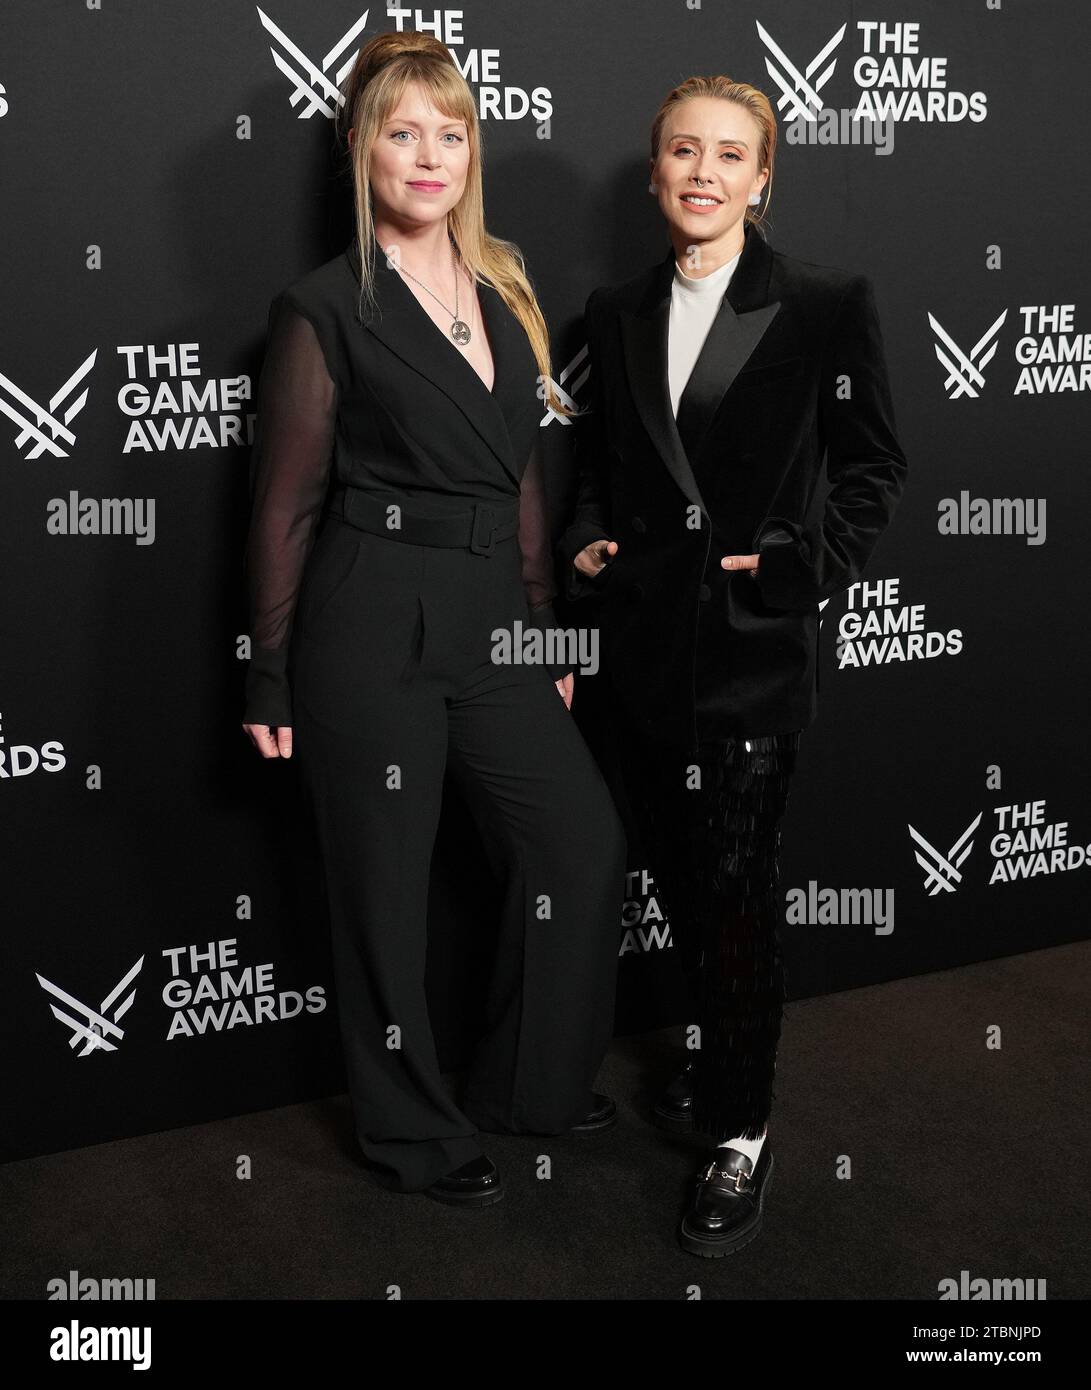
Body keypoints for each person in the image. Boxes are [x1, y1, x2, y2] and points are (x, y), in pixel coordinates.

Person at [241, 31, 627, 1206]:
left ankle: (528, 1084)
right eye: (402, 132)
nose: (428, 155)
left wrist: (544, 626)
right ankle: (410, 1130)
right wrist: (266, 673)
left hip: (493, 622)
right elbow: (284, 506)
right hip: (370, 618)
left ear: (472, 150)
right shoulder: (324, 304)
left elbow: (517, 474)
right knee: (383, 888)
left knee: (580, 844)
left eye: (450, 133)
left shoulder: (503, 280)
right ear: (363, 149)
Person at [557, 75, 908, 1255]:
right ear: (654, 172)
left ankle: (740, 1131)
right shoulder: (609, 308)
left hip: (751, 662)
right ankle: (716, 1053)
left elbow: (871, 466)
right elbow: (599, 461)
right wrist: (584, 541)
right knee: (678, 882)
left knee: (739, 897)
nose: (701, 172)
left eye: (727, 155)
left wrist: (800, 566)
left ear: (763, 180)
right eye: (679, 151)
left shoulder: (819, 304)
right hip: (638, 657)